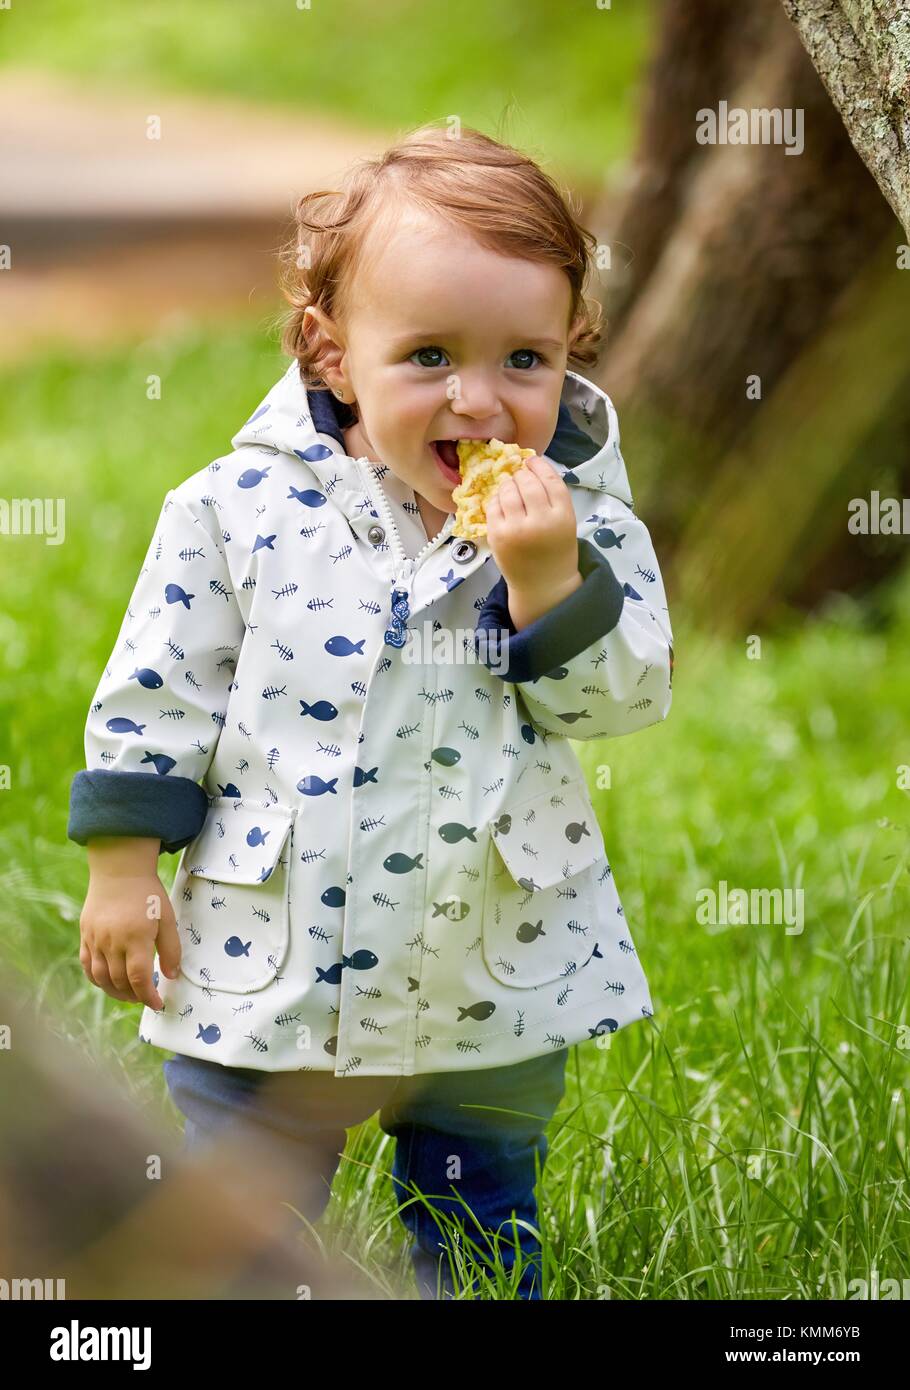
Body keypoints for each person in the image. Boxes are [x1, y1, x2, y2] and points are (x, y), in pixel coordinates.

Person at [67, 122, 674, 1299]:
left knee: (480, 1219)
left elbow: (621, 698)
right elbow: (156, 692)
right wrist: (123, 864)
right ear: (330, 352)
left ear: (572, 351)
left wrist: (546, 578)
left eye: (525, 361)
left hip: (482, 963)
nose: (481, 402)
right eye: (431, 355)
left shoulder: (585, 523)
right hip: (271, 952)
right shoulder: (233, 507)